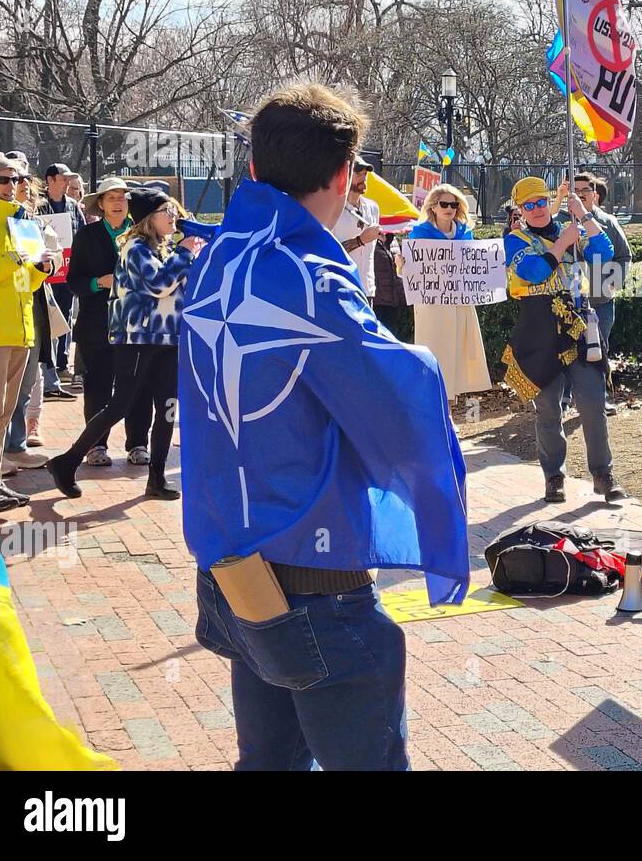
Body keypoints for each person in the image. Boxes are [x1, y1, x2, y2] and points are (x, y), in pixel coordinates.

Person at [183, 83, 469, 772]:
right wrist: (424, 363)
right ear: (344, 176)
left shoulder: (219, 259)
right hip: (317, 586)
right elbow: (394, 403)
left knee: (268, 761)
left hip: (233, 562)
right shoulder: (313, 275)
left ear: (253, 168)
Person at [47, 188, 201, 500]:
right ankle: (68, 461)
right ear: (148, 218)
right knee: (120, 404)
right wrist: (185, 253)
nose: (173, 217)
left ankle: (156, 478)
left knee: (168, 408)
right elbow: (158, 284)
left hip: (169, 339)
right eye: (166, 211)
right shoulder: (135, 248)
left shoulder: (166, 249)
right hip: (136, 340)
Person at [501, 175, 624, 504]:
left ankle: (603, 473)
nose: (538, 209)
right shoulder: (515, 239)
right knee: (549, 411)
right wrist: (562, 244)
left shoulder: (570, 227)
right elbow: (533, 272)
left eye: (542, 202)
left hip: (579, 329)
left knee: (592, 403)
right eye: (530, 205)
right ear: (521, 210)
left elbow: (603, 253)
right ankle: (554, 476)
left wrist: (583, 216)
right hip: (540, 334)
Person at [0, 154, 56, 514]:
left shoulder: (21, 220)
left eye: (18, 178)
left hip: (19, 328)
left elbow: (22, 282)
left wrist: (39, 269)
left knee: (5, 412)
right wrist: (10, 259)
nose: (15, 185)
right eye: (5, 179)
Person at [67, 177, 153, 467]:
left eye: (122, 197)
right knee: (97, 388)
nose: (118, 202)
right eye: (111, 198)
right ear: (101, 204)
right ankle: (95, 445)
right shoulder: (86, 236)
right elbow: (74, 281)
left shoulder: (142, 234)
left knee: (139, 387)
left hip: (136, 325)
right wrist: (97, 282)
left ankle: (139, 443)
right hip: (97, 325)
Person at [407, 184, 491, 401]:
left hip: (461, 303)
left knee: (458, 357)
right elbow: (411, 269)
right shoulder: (420, 233)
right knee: (437, 352)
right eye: (444, 204)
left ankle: (451, 409)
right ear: (433, 207)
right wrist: (402, 264)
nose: (449, 208)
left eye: (454, 204)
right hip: (433, 306)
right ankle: (438, 408)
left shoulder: (465, 233)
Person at [560, 173, 630, 416]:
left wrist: (614, 283)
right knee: (565, 350)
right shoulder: (559, 221)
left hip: (600, 301)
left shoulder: (608, 222)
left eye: (585, 190)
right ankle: (564, 398)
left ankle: (598, 398)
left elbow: (623, 256)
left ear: (595, 194)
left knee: (599, 349)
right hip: (566, 302)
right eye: (574, 190)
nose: (579, 194)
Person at [40, 162, 86, 393]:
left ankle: (61, 363)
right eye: (62, 178)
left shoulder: (72, 206)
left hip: (68, 270)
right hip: (46, 273)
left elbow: (82, 233)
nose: (67, 182)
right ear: (50, 180)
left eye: (68, 179)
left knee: (66, 314)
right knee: (48, 316)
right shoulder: (38, 205)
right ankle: (47, 366)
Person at [333, 156, 380, 301]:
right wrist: (359, 241)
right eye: (358, 174)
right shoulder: (333, 208)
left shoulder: (372, 208)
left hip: (367, 290)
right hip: (342, 288)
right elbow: (329, 251)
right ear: (345, 176)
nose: (363, 178)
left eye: (365, 174)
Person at [371, 232, 407, 334]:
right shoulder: (370, 238)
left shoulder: (393, 239)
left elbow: (398, 269)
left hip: (393, 301)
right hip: (377, 301)